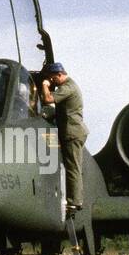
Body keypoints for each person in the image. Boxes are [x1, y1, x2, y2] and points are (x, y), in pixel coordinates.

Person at [39, 62, 87, 214]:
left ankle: (74, 202)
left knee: (73, 168)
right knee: (72, 167)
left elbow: (47, 99)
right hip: (71, 132)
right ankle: (74, 200)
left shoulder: (67, 87)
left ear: (59, 75)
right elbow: (63, 111)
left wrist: (45, 85)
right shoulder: (67, 87)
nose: (52, 82)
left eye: (53, 79)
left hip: (73, 133)